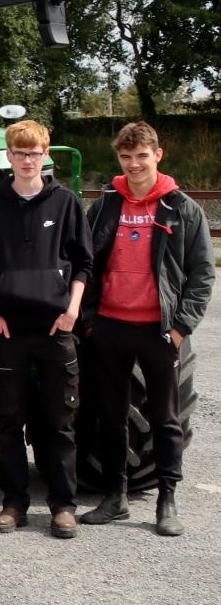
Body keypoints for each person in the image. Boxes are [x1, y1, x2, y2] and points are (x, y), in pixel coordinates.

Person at [80, 121, 213, 536]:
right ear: (118, 158)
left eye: (141, 155)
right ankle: (115, 497)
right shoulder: (104, 207)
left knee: (166, 419)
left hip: (159, 332)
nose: (134, 164)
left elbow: (202, 273)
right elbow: (83, 262)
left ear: (158, 155)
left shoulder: (183, 208)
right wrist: (88, 321)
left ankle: (166, 500)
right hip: (109, 329)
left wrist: (181, 327)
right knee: (112, 416)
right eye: (126, 156)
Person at [0, 119, 93, 538]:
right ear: (8, 156)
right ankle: (13, 504)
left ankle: (63, 506)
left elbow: (83, 262)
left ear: (46, 155)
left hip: (55, 328)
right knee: (9, 421)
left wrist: (71, 311)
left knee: (59, 422)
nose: (27, 160)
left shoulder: (66, 202)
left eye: (34, 153)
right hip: (8, 330)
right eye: (19, 153)